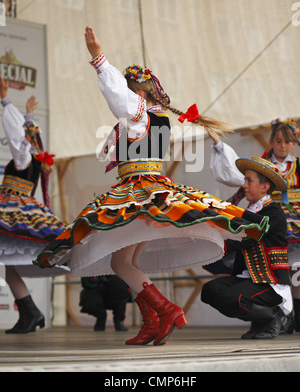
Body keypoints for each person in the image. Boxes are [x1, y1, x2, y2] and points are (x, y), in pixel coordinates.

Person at [34, 26, 270, 346]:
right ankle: (152, 322)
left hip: (138, 193)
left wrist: (99, 60)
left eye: (132, 93)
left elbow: (120, 99)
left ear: (140, 95)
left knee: (120, 263)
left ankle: (166, 310)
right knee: (126, 263)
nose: (129, 98)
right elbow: (118, 137)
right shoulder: (156, 118)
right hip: (152, 192)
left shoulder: (139, 112)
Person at [209, 120, 300, 332]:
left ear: (294, 143)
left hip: (290, 219)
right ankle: (273, 318)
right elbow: (235, 173)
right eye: (278, 141)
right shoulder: (260, 165)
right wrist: (219, 145)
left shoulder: (297, 165)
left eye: (288, 141)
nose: (283, 146)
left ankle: (290, 317)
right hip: (267, 216)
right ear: (271, 141)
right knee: (260, 264)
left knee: (295, 270)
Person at [0, 76, 66, 333]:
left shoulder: (23, 159)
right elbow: (26, 137)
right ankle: (30, 312)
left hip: (11, 208)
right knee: (7, 265)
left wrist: (6, 102)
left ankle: (31, 312)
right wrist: (28, 115)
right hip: (22, 207)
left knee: (7, 266)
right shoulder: (38, 159)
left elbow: (17, 138)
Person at [201, 157, 292, 339]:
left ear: (264, 187)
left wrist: (217, 239)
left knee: (232, 297)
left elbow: (245, 238)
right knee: (210, 291)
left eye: (249, 180)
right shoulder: (251, 212)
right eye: (245, 180)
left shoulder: (272, 213)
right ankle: (261, 322)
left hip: (270, 283)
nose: (244, 185)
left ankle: (274, 317)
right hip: (250, 280)